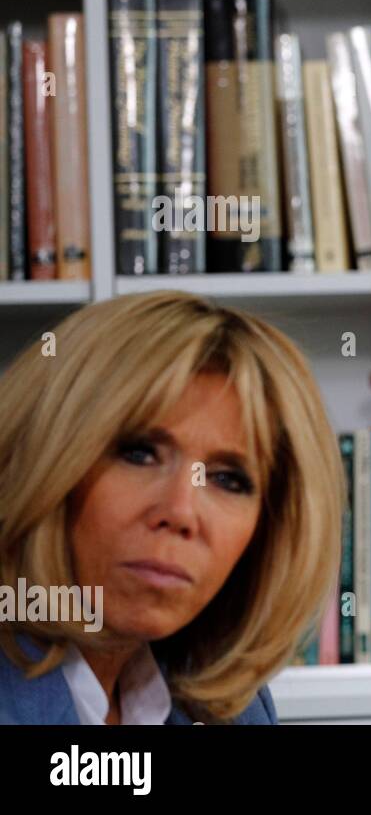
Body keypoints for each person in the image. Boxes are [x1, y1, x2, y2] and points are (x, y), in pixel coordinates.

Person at [0, 290, 343, 724]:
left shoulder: (235, 711)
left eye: (227, 480)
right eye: (139, 454)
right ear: (43, 458)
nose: (181, 512)